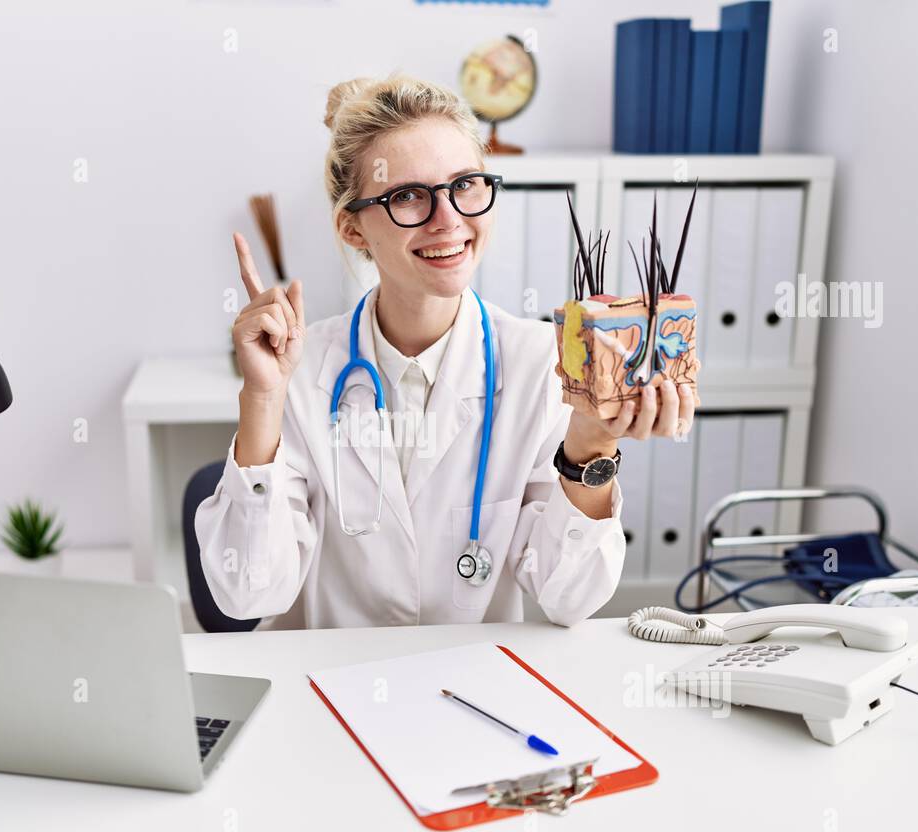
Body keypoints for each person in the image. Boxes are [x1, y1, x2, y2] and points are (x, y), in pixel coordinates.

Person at [195, 73, 695, 630]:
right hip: (326, 691)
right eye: (408, 196)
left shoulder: (538, 364)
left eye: (466, 185)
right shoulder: (301, 370)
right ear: (353, 229)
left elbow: (569, 599)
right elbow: (247, 594)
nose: (450, 218)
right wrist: (262, 398)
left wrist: (591, 448)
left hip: (473, 691)